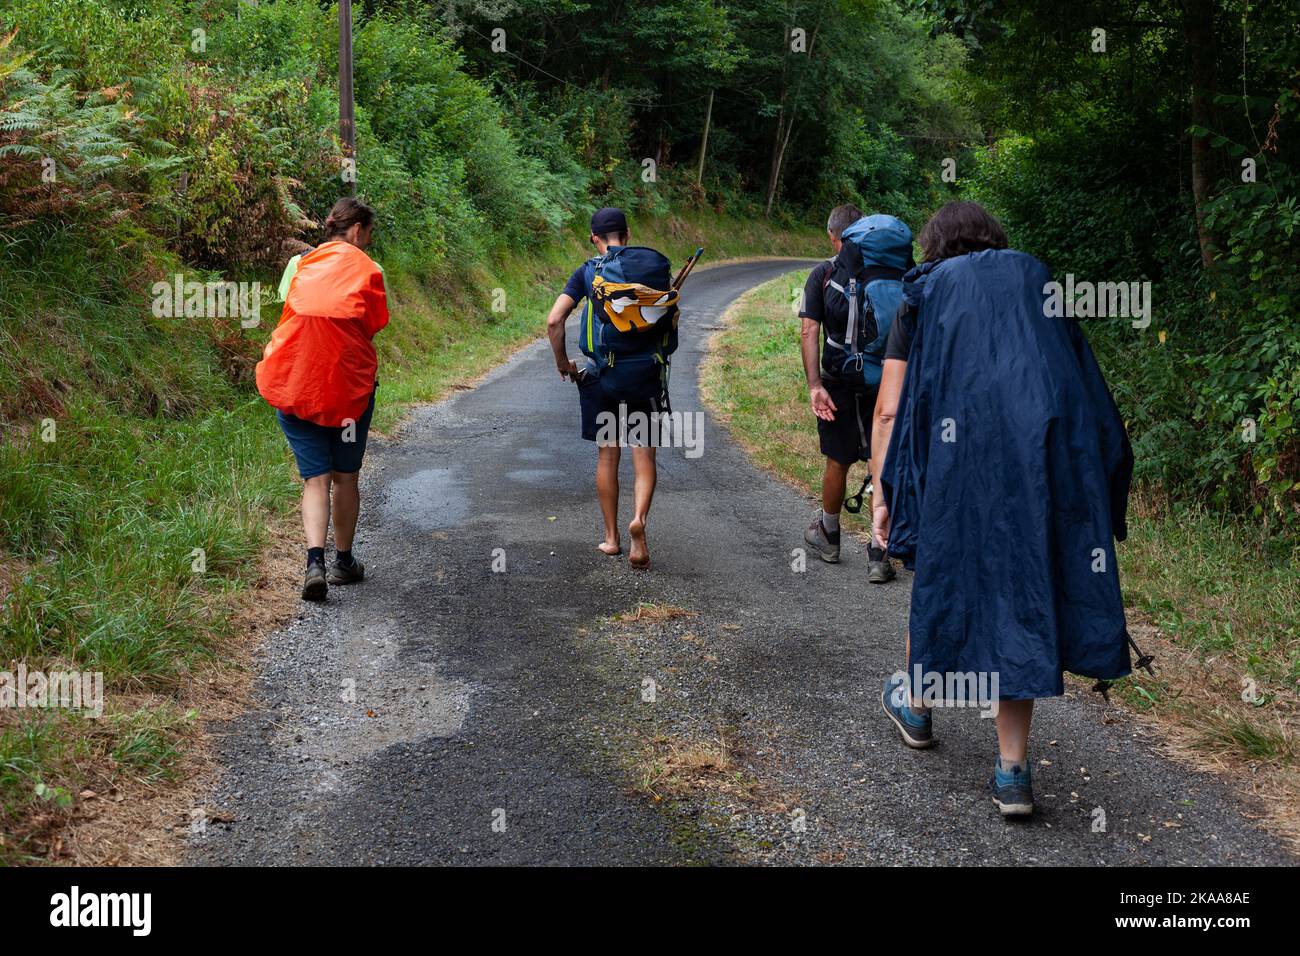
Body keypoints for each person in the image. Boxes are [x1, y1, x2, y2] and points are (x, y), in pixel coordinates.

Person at [871, 201, 1134, 818]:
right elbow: (1086, 392)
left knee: (940, 578)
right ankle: (1012, 773)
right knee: (1023, 595)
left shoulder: (923, 295)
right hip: (1038, 469)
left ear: (935, 244)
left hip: (954, 469)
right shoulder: (1037, 282)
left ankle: (917, 706)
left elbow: (888, 409)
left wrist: (887, 495)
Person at [255, 197, 389, 601]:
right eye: (368, 234)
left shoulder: (299, 264)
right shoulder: (371, 269)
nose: (367, 242)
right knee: (345, 477)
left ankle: (314, 561)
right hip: (348, 393)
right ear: (357, 231)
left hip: (294, 382)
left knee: (315, 479)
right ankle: (343, 562)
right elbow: (372, 325)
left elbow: (291, 315)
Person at [545, 207, 664, 569]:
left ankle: (612, 539)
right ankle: (639, 522)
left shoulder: (587, 272)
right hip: (643, 375)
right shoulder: (650, 270)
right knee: (643, 455)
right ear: (626, 235)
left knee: (608, 455)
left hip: (601, 377)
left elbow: (554, 320)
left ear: (594, 238)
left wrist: (563, 363)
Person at [799, 204, 902, 581]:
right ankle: (879, 552)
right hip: (887, 379)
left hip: (839, 380)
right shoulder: (894, 271)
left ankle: (829, 534)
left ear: (833, 236)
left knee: (837, 459)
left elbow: (809, 332)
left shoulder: (824, 273)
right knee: (881, 460)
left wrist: (814, 386)